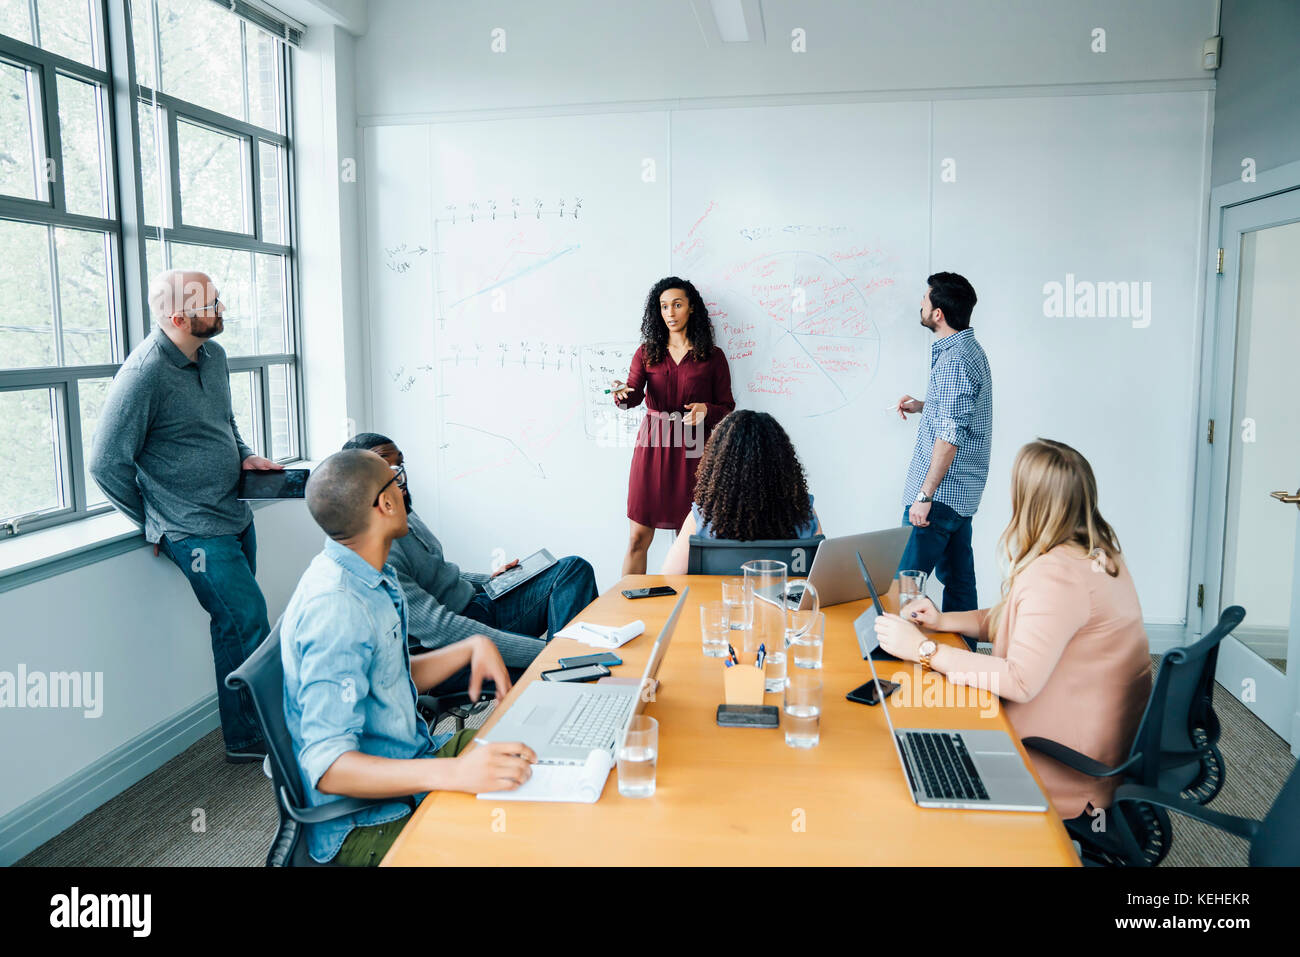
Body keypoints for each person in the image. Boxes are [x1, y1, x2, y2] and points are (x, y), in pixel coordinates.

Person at [873, 439, 1152, 822]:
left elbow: (1020, 680)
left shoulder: (1056, 576)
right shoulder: (1097, 553)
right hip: (1102, 742)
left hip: (1064, 763)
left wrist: (924, 651)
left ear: (1030, 499)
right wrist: (942, 621)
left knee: (908, 759)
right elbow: (1019, 618)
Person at [282, 449, 537, 866]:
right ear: (385, 503)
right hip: (368, 826)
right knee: (521, 839)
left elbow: (387, 679)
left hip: (414, 764)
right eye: (395, 479)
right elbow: (328, 767)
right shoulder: (337, 606)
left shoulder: (371, 575)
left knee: (540, 760)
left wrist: (469, 648)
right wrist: (452, 774)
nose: (403, 488)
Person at [90, 270, 282, 763]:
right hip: (193, 531)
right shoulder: (143, 376)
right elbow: (106, 462)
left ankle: (246, 731)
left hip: (234, 514)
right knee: (248, 620)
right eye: (213, 304)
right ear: (179, 318)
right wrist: (153, 519)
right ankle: (251, 738)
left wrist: (245, 455)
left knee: (235, 627)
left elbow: (224, 422)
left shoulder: (213, 355)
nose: (222, 310)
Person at [341, 433, 598, 690]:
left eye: (401, 465)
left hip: (477, 606)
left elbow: (436, 572)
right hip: (446, 645)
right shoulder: (377, 554)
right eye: (388, 466)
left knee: (573, 569)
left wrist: (492, 580)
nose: (400, 476)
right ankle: (568, 673)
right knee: (546, 671)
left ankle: (568, 669)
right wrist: (548, 653)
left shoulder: (400, 507)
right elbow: (442, 630)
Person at [613, 277, 735, 575]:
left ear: (691, 308)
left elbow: (728, 407)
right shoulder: (646, 353)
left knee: (694, 540)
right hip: (652, 447)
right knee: (636, 539)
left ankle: (687, 613)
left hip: (696, 452)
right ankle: (627, 611)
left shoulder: (713, 356)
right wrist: (621, 394)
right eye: (664, 306)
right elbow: (632, 396)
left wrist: (707, 409)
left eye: (677, 305)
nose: (670, 312)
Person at [894, 271, 991, 614]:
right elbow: (960, 412)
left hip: (939, 499)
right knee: (960, 581)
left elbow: (949, 437)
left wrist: (924, 497)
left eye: (925, 299)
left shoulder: (953, 361)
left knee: (905, 583)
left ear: (938, 313)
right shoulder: (969, 350)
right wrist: (925, 406)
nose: (921, 303)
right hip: (960, 495)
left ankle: (895, 654)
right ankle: (964, 653)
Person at [661, 410, 821, 575]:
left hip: (720, 600)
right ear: (783, 464)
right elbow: (821, 576)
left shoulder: (702, 517)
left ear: (718, 465)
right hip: (785, 600)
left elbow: (669, 578)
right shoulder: (804, 513)